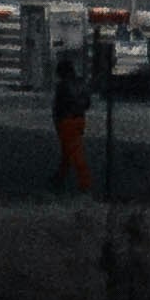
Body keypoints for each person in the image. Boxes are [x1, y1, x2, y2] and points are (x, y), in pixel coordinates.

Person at [50, 31, 93, 195]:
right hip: (79, 119)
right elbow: (87, 102)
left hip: (66, 121)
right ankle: (59, 179)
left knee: (74, 154)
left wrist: (57, 122)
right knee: (69, 153)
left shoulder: (62, 87)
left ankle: (84, 184)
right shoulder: (81, 83)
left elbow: (58, 107)